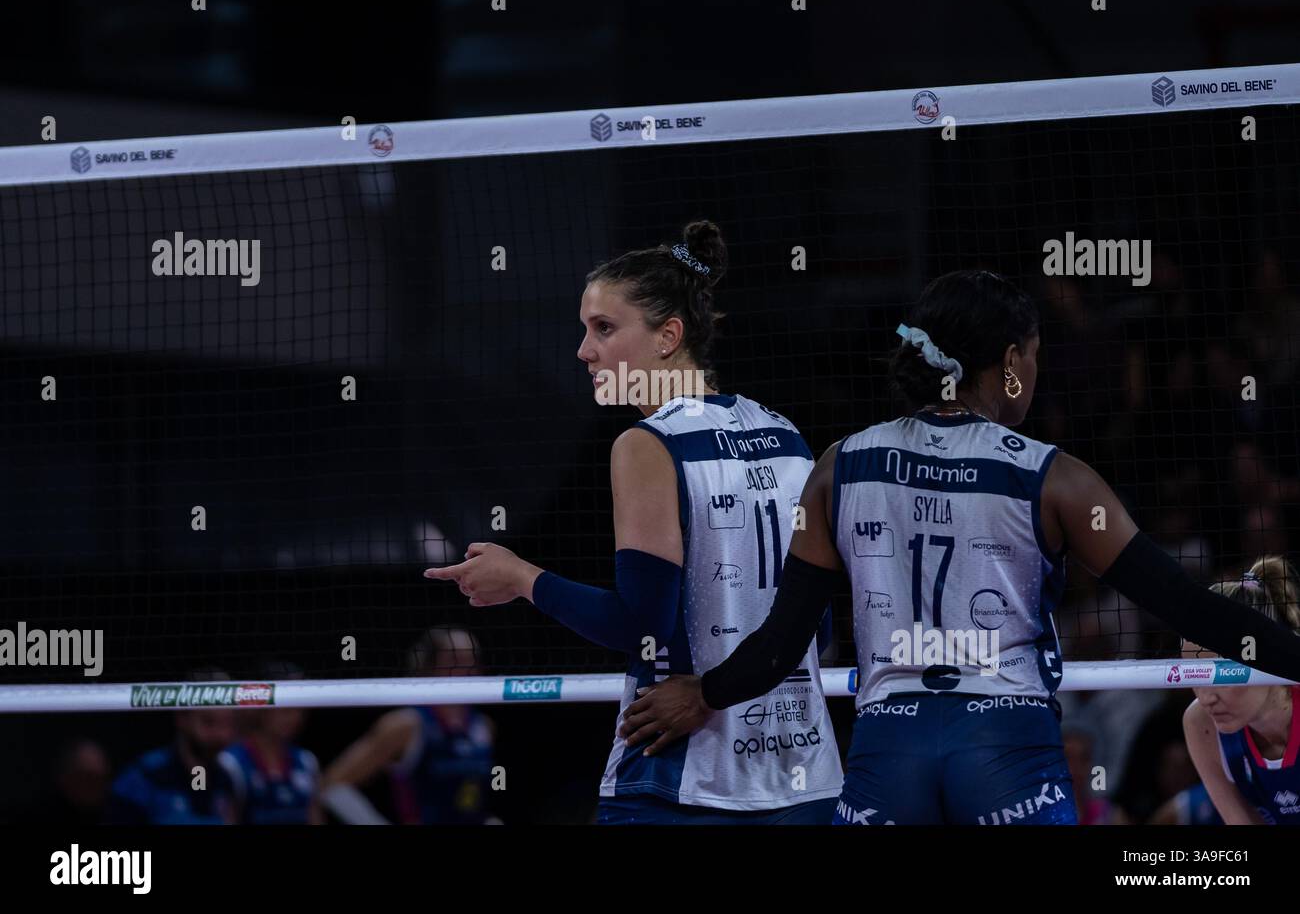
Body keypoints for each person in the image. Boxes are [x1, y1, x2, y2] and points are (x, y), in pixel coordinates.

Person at [617, 268, 1300, 825]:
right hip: (1005, 745)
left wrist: (704, 693)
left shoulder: (839, 465)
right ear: (1009, 362)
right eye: (1032, 358)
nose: (1033, 375)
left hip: (889, 750)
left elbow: (781, 642)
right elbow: (1188, 606)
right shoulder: (1054, 476)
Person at [425, 221, 842, 824]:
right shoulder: (786, 435)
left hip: (682, 779)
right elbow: (818, 627)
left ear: (668, 336)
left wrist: (521, 578)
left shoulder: (647, 444)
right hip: (803, 775)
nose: (583, 351)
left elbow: (637, 625)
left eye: (604, 329)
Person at [320, 627, 496, 824]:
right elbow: (332, 784)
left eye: (473, 660)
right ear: (430, 667)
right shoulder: (405, 725)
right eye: (455, 661)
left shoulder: (482, 727)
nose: (468, 670)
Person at [1182, 556, 1300, 824]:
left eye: (1220, 676)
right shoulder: (1200, 723)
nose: (1206, 698)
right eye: (1195, 676)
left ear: (1267, 659)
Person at [105, 667, 236, 824]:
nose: (221, 735)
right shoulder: (142, 778)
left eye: (227, 723)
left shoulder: (226, 779)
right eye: (209, 722)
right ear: (182, 718)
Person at [218, 660, 322, 824]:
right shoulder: (231, 764)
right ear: (262, 703)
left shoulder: (307, 763)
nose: (295, 716)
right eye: (286, 706)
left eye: (299, 707)